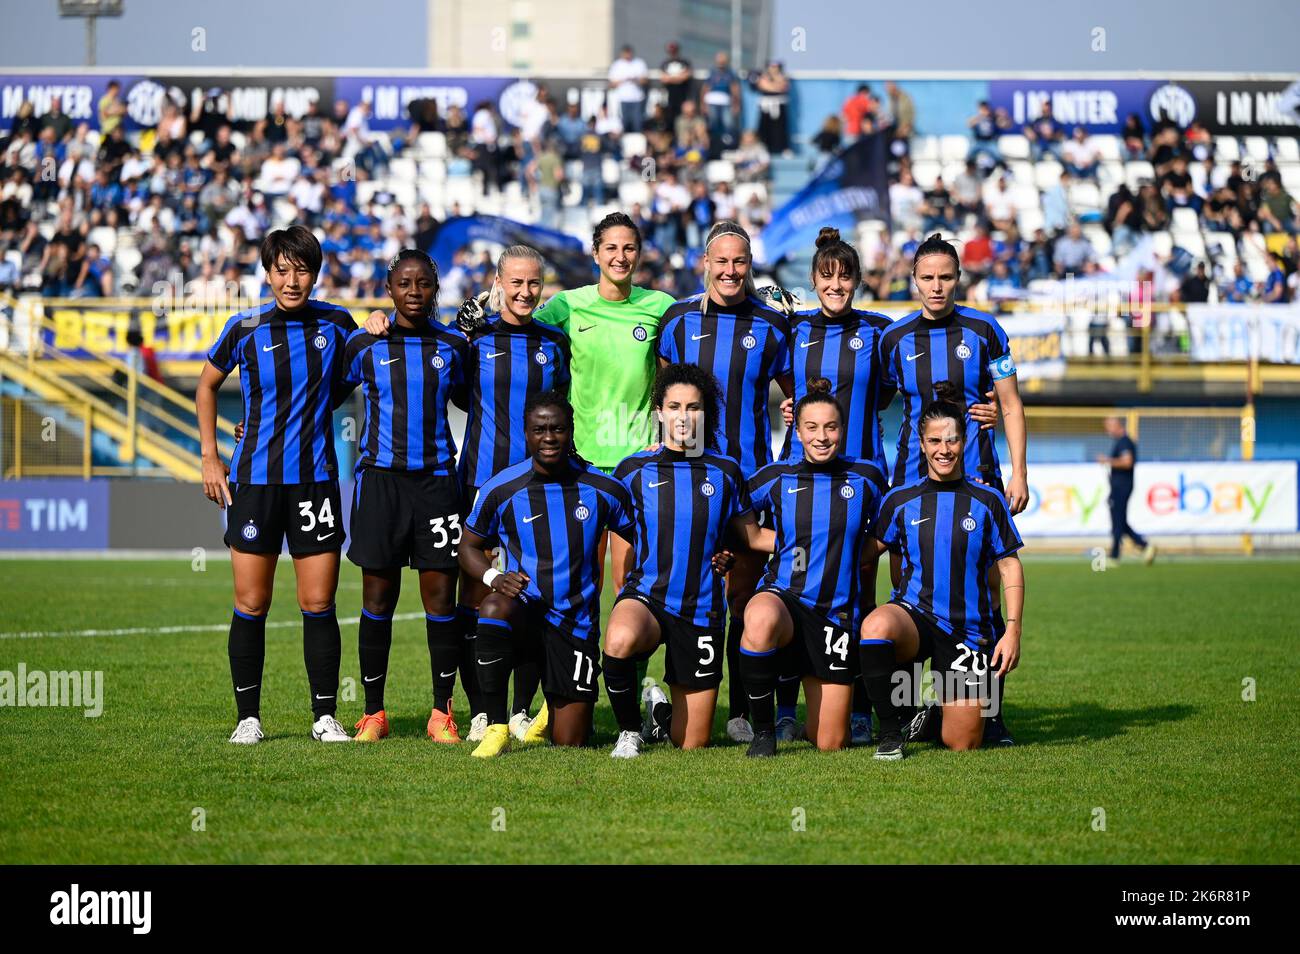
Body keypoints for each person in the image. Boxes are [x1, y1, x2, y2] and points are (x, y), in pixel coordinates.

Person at [775, 228, 1000, 745]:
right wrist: (795, 409)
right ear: (813, 280)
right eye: (826, 276)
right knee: (792, 584)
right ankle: (787, 708)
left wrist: (983, 408)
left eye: (845, 275)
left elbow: (888, 395)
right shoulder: (792, 332)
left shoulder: (882, 332)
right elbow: (787, 390)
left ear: (857, 279)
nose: (836, 284)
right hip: (801, 475)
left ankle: (873, 708)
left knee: (871, 591)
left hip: (869, 475)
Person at [363, 246, 571, 745]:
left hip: (538, 489)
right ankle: (480, 709)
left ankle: (519, 709)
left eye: (533, 284)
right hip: (477, 483)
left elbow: (561, 412)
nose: (524, 292)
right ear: (498, 282)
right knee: (476, 596)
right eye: (515, 282)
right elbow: (450, 392)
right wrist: (374, 318)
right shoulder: (469, 342)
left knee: (532, 593)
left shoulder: (555, 344)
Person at [196, 226, 357, 745]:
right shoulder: (245, 329)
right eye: (282, 270)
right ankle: (249, 718)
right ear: (267, 274)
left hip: (314, 483)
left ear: (316, 272)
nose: (292, 280)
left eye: (302, 269)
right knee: (251, 602)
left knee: (318, 603)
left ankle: (324, 717)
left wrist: (378, 323)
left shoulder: (336, 323)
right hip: (254, 484)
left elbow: (346, 382)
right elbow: (205, 385)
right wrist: (210, 457)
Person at [878, 232, 1028, 745]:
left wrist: (1018, 472)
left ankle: (991, 712)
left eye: (945, 276)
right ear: (913, 280)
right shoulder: (894, 340)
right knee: (906, 589)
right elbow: (863, 399)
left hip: (977, 477)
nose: (936, 286)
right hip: (911, 484)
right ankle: (911, 704)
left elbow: (1009, 403)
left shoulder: (986, 329)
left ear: (958, 278)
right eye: (927, 277)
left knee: (982, 592)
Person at [655, 220, 794, 743]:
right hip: (688, 481)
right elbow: (666, 397)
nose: (730, 270)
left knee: (742, 598)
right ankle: (666, 695)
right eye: (722, 261)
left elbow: (799, 397)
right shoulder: (677, 321)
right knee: (681, 593)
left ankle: (741, 711)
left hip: (751, 485)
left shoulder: (773, 327)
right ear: (705, 264)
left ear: (749, 266)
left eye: (740, 262)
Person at [458, 391, 635, 757]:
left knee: (571, 740)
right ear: (526, 433)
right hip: (526, 610)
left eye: (557, 429)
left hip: (575, 626)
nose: (549, 438)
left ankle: (550, 710)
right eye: (540, 430)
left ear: (571, 432)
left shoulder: (604, 489)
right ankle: (495, 725)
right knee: (492, 608)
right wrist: (494, 578)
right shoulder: (502, 488)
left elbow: (647, 540)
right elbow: (467, 547)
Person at [604, 363, 768, 757]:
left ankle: (659, 714)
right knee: (619, 638)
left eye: (692, 407)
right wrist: (621, 597)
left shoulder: (726, 470)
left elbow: (752, 536)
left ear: (704, 414)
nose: (683, 416)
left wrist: (816, 540)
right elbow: (619, 537)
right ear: (659, 411)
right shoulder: (633, 470)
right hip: (648, 598)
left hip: (701, 609)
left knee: (692, 743)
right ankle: (629, 732)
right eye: (674, 406)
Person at [340, 250, 471, 744]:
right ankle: (374, 713)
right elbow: (321, 395)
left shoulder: (454, 345)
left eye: (423, 284)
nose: (414, 292)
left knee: (441, 600)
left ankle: (442, 712)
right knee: (378, 599)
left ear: (435, 289)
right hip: (381, 484)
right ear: (389, 288)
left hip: (438, 484)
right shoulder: (365, 344)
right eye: (404, 284)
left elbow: (470, 398)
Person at [858, 381, 1025, 760]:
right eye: (934, 441)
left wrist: (1013, 630)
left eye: (951, 441)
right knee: (875, 627)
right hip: (915, 617)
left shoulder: (988, 500)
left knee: (962, 742)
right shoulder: (900, 500)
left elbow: (1011, 567)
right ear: (922, 444)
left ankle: (934, 716)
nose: (943, 449)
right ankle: (889, 733)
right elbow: (869, 550)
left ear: (963, 442)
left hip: (967, 629)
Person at [738, 380, 889, 757]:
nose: (822, 437)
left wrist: (854, 552)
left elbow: (892, 525)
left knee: (830, 743)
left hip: (835, 616)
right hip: (785, 601)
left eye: (830, 427)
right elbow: (731, 510)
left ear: (842, 430)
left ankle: (808, 719)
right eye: (812, 428)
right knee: (757, 618)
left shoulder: (867, 478)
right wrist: (774, 543)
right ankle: (763, 732)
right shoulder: (775, 477)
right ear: (798, 430)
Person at [534, 213, 676, 590]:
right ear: (595, 254)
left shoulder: (661, 306)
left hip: (638, 462)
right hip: (582, 461)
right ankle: (580, 653)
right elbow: (520, 331)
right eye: (611, 247)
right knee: (581, 582)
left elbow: (680, 379)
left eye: (629, 247)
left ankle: (628, 652)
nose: (620, 256)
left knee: (629, 585)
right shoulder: (567, 306)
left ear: (640, 254)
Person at [1098, 417, 1156, 565]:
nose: (1107, 431)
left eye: (1109, 427)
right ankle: (1143, 545)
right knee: (1120, 521)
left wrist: (1108, 460)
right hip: (1118, 486)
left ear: (1116, 425)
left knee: (1118, 521)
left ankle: (1115, 555)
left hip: (1122, 486)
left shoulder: (1124, 441)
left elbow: (1127, 462)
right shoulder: (1120, 441)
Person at [608, 45, 648, 134]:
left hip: (637, 99)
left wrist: (635, 80)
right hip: (622, 99)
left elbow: (645, 80)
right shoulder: (617, 65)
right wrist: (623, 80)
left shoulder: (639, 63)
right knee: (623, 123)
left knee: (637, 123)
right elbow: (611, 83)